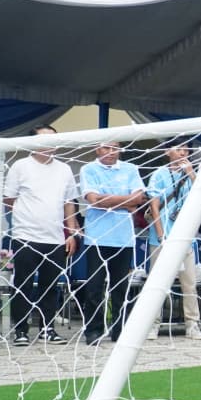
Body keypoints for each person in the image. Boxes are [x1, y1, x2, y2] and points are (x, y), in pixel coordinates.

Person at [3, 124, 81, 346]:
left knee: (50, 286)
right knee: (23, 285)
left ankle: (48, 329)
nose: (49, 143)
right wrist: (26, 214)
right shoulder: (20, 166)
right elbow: (8, 199)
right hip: (25, 236)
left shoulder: (64, 169)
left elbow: (69, 203)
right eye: (44, 139)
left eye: (53, 139)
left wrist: (71, 233)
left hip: (55, 238)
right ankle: (21, 332)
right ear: (33, 143)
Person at [79, 141, 146, 345]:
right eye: (106, 148)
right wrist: (126, 201)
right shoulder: (88, 169)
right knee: (94, 287)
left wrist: (109, 199)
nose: (110, 152)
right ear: (96, 149)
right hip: (97, 237)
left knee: (120, 288)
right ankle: (93, 330)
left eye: (115, 148)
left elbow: (139, 199)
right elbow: (94, 200)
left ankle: (120, 331)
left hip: (124, 238)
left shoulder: (131, 169)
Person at [146, 138, 201, 341]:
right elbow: (154, 206)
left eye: (186, 150)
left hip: (185, 239)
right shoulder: (158, 175)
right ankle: (152, 324)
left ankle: (192, 324)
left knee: (189, 284)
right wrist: (161, 234)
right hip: (160, 239)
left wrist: (190, 172)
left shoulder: (191, 175)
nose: (183, 153)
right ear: (167, 152)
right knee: (157, 284)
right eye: (179, 149)